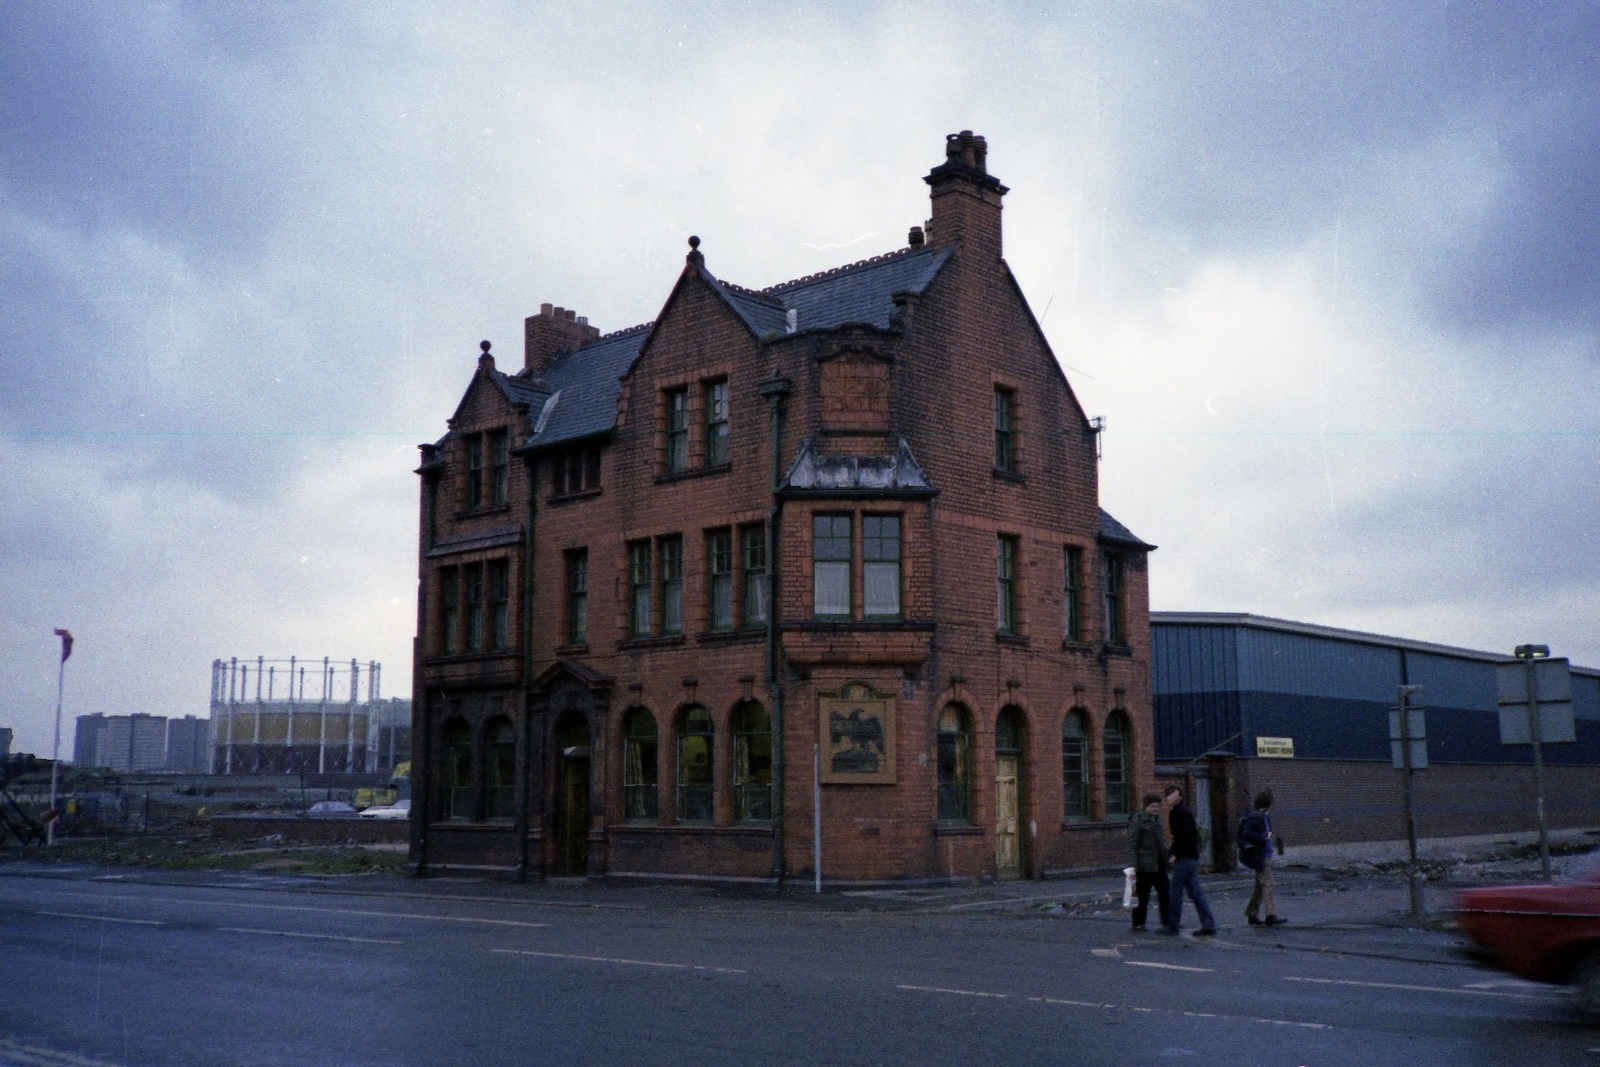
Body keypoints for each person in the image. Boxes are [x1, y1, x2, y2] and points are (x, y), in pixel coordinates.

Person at [1163, 785, 1218, 936]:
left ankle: (1173, 924)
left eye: (1172, 795)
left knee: (1176, 891)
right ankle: (1208, 923)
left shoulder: (1180, 813)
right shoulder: (1180, 812)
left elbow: (1183, 837)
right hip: (1190, 856)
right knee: (1195, 891)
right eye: (1168, 795)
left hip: (1185, 857)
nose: (1169, 799)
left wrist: (1173, 854)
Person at [1126, 792, 1174, 933]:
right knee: (1142, 896)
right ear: (1146, 806)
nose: (1155, 809)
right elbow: (1132, 843)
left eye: (1157, 806)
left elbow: (1161, 843)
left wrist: (1167, 859)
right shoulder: (1138, 821)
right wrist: (1133, 866)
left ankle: (1167, 922)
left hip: (1158, 863)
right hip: (1144, 865)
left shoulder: (1156, 820)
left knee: (1165, 894)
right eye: (1153, 806)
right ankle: (1138, 923)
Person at [1238, 789, 1286, 926]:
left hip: (1264, 856)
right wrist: (1262, 838)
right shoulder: (1257, 817)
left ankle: (1252, 914)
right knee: (1269, 884)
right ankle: (1271, 915)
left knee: (1260, 886)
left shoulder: (1263, 817)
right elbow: (1246, 832)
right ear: (1269, 804)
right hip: (1261, 856)